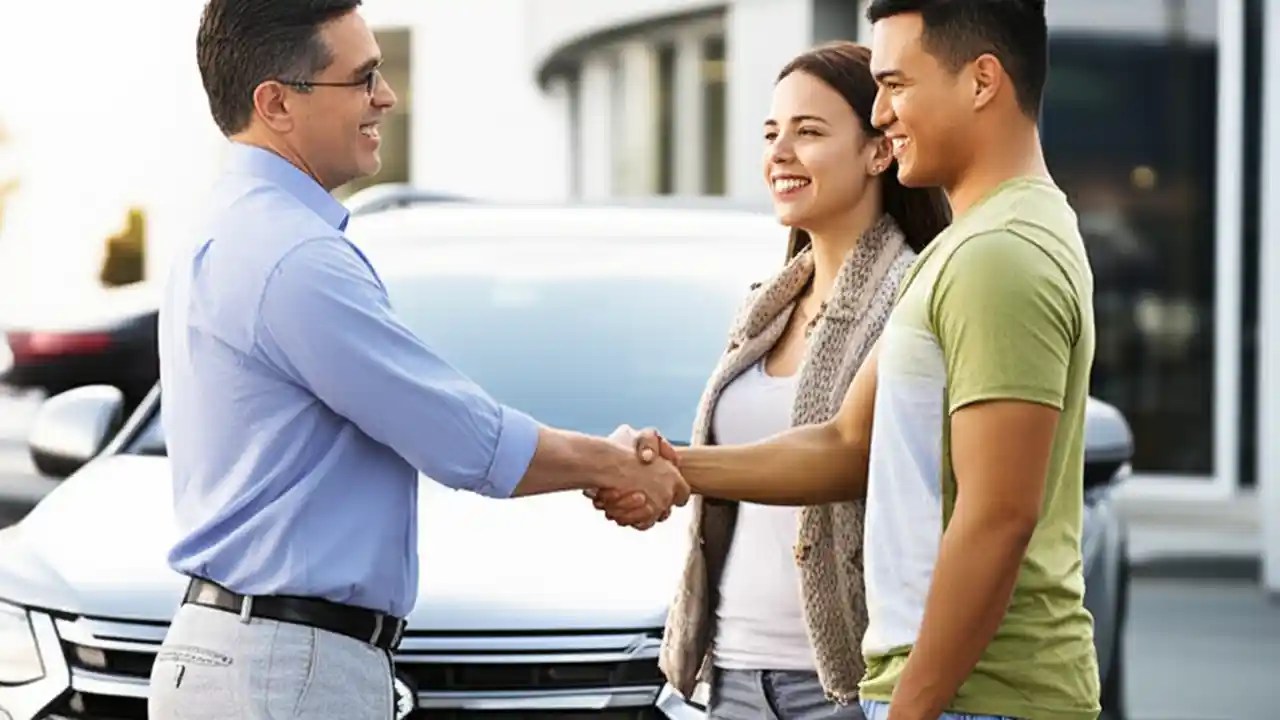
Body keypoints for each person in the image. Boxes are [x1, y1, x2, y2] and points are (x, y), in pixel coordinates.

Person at [148, 2, 686, 718]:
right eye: (363, 78)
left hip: (240, 654)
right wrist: (611, 463)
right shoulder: (294, 257)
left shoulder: (227, 230)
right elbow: (462, 438)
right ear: (276, 102)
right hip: (286, 668)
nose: (386, 97)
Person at [599, 1, 1100, 719]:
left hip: (978, 697)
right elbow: (846, 444)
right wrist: (666, 466)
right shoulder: (973, 246)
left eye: (897, 85)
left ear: (982, 80)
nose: (885, 114)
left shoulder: (998, 256)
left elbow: (998, 517)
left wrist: (908, 711)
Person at [640, 41, 948, 720]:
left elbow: (849, 455)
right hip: (735, 674)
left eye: (808, 133)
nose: (780, 153)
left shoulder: (916, 295)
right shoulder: (763, 307)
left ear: (878, 152)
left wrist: (669, 465)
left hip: (845, 683)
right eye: (771, 134)